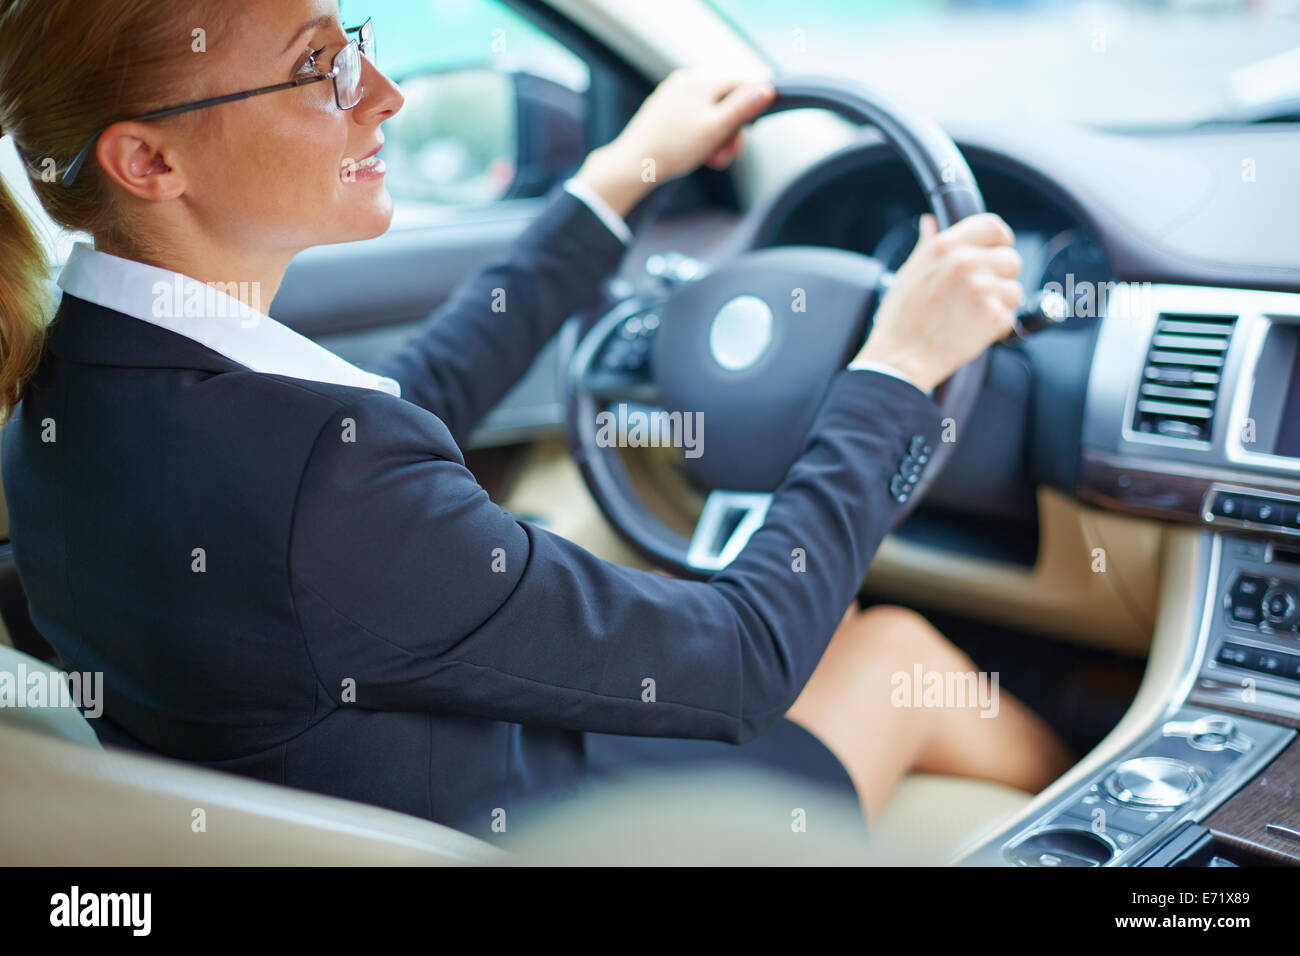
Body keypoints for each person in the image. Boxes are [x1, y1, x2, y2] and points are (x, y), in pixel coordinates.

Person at [0, 0, 1071, 840]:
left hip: (425, 781)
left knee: (838, 623)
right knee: (893, 652)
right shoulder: (324, 490)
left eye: (353, 43)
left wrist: (618, 180)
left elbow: (398, 411)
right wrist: (897, 366)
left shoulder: (69, 392)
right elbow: (746, 660)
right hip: (567, 827)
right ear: (149, 162)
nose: (384, 95)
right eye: (317, 68)